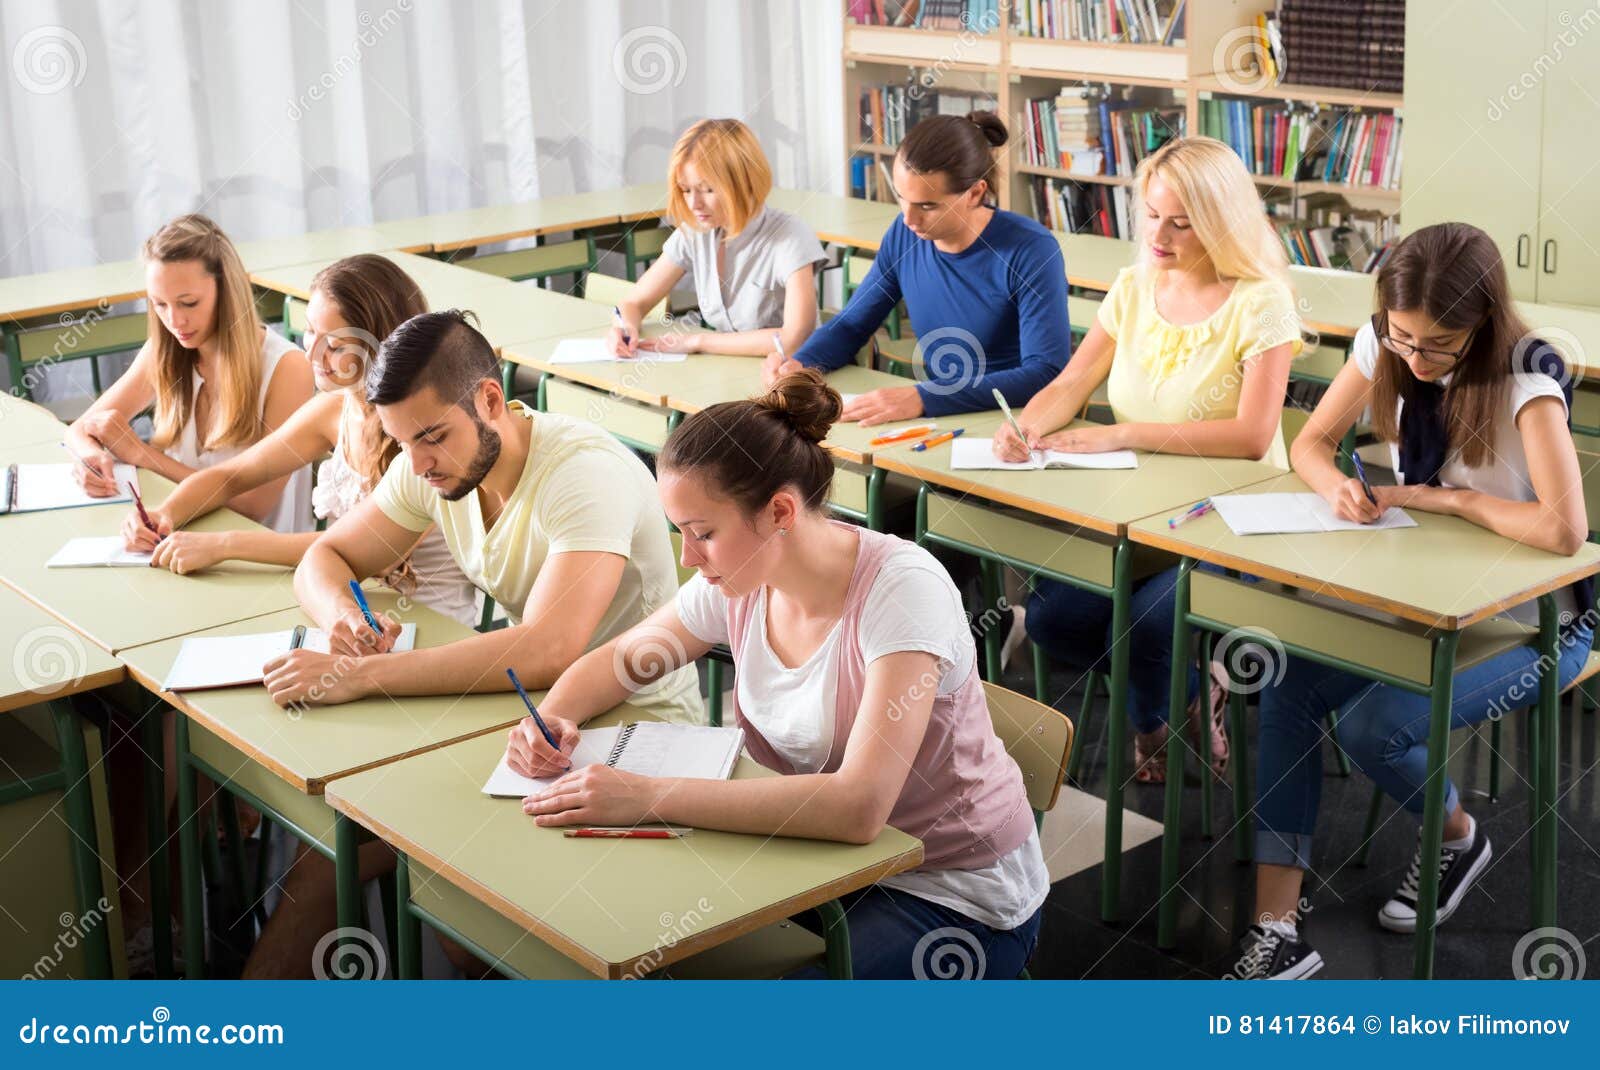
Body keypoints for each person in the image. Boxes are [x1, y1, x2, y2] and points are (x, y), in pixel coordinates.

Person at [503, 369, 1048, 979]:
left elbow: (859, 808)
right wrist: (555, 717)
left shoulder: (902, 591)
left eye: (704, 534)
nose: (688, 557)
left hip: (951, 892)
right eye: (680, 533)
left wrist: (646, 797)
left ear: (780, 512)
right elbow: (618, 662)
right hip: (808, 864)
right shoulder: (739, 580)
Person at [1231, 222, 1591, 980]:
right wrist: (1339, 490)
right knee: (1285, 681)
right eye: (1404, 340)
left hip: (1538, 621)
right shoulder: (1385, 343)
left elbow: (1564, 530)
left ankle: (1458, 836)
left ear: (1484, 324)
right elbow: (1310, 444)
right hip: (1425, 600)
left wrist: (1450, 500)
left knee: (1373, 727)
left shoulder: (1528, 376)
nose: (1417, 362)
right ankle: (1273, 929)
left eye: (1440, 347)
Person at [997, 136, 1304, 782]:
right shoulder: (1136, 286)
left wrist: (1123, 434)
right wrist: (1025, 428)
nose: (1158, 236)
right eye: (1152, 215)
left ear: (1220, 223)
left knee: (1147, 619)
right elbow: (1072, 384)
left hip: (1231, 516)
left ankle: (1153, 726)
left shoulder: (1261, 301)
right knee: (1053, 617)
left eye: (1180, 223)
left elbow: (1253, 436)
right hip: (1138, 510)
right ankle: (1194, 689)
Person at [263, 309, 703, 725]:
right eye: (401, 443)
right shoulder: (427, 465)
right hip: (528, 706)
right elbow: (324, 557)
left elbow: (548, 650)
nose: (416, 465)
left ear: (490, 400)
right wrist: (343, 616)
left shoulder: (584, 475)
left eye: (433, 437)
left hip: (642, 720)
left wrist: (361, 676)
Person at [121, 254, 479, 627]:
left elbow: (361, 553)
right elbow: (233, 475)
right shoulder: (334, 409)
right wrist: (167, 514)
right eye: (310, 332)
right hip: (350, 607)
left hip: (429, 624)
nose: (312, 354)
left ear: (382, 345)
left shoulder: (419, 434)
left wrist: (224, 545)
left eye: (336, 346)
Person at [769, 112, 1070, 427]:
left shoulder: (1032, 249)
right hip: (941, 415)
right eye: (902, 198)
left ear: (976, 193)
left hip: (1015, 419)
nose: (909, 219)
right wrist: (800, 364)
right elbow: (851, 325)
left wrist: (925, 397)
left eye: (928, 206)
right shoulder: (905, 233)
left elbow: (1045, 373)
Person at [66, 213, 314, 531]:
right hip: (179, 535)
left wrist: (143, 455)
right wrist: (89, 458)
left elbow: (253, 505)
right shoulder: (165, 349)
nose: (174, 321)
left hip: (256, 558)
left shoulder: (288, 368)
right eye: (160, 305)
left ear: (227, 292)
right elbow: (80, 429)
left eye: (188, 303)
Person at [607, 118, 824, 357]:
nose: (694, 203)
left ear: (743, 181)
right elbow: (633, 303)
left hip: (796, 378)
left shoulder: (791, 237)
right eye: (686, 190)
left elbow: (792, 340)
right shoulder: (696, 231)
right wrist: (624, 327)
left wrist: (698, 341)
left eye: (707, 189)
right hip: (733, 371)